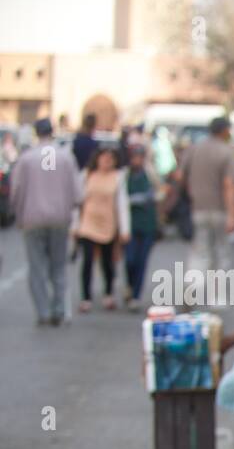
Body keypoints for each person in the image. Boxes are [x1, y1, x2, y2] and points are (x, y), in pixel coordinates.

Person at [9, 117, 81, 326]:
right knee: (58, 266)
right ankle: (58, 308)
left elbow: (16, 191)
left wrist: (18, 212)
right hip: (59, 218)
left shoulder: (27, 158)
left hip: (32, 218)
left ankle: (43, 311)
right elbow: (77, 193)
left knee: (37, 267)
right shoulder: (65, 158)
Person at [177, 116, 234, 272]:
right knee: (222, 253)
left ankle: (192, 289)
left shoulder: (194, 149)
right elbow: (229, 185)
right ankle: (217, 294)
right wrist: (232, 214)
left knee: (200, 251)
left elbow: (180, 176)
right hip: (220, 209)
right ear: (224, 130)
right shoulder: (226, 151)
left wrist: (191, 192)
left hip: (198, 207)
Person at [74, 146, 130, 312]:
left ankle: (108, 293)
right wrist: (74, 225)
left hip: (108, 223)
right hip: (88, 222)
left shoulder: (118, 178)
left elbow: (121, 204)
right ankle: (86, 297)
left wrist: (124, 229)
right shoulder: (87, 175)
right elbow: (78, 202)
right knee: (88, 261)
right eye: (104, 158)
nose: (106, 162)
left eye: (110, 159)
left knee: (107, 261)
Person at [123, 145, 159, 311]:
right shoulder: (124, 175)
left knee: (142, 260)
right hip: (129, 224)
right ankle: (129, 286)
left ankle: (136, 295)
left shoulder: (150, 173)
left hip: (147, 224)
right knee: (130, 260)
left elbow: (160, 192)